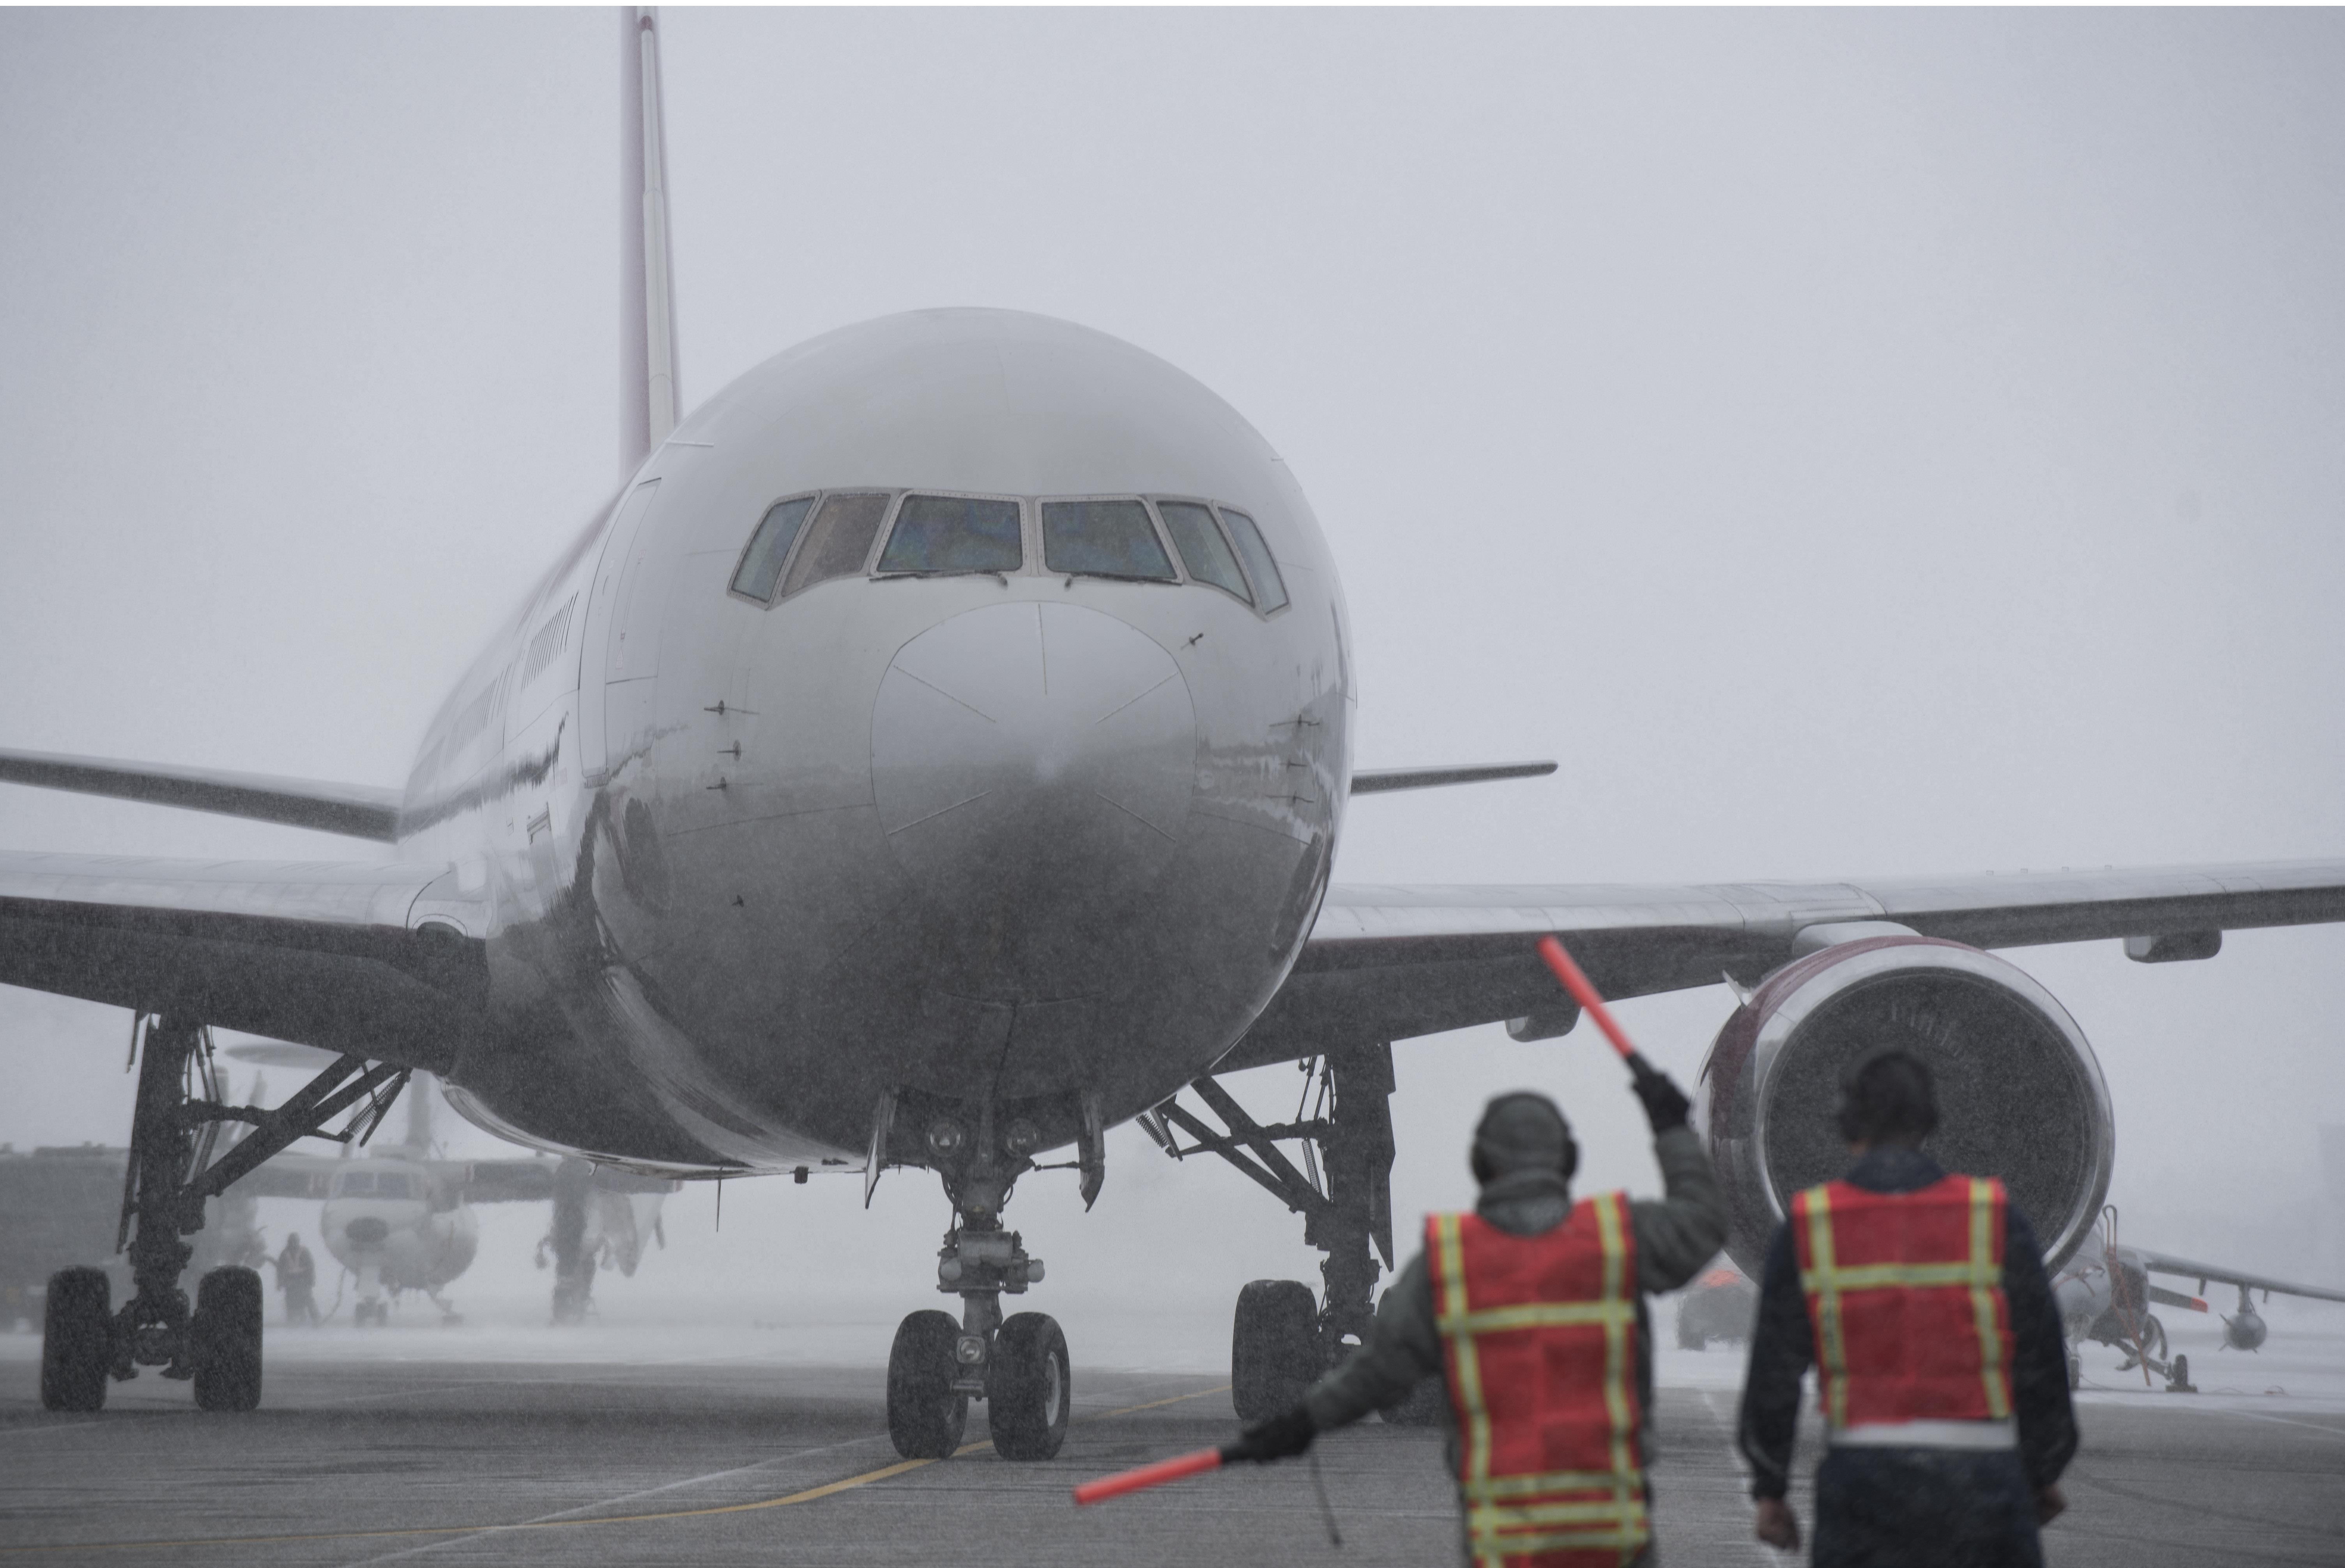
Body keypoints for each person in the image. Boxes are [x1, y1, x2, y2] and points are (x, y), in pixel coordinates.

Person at [1228, 1063, 1730, 1566]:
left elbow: (1375, 1373)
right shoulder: (1618, 1238)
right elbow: (1708, 1223)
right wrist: (1673, 1132)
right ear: (1570, 1159)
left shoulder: (1450, 1261)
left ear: (1481, 1163)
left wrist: (1295, 1423)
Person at [1736, 1051, 2077, 1566]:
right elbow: (2042, 1360)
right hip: (1982, 1481)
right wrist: (2044, 1471)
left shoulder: (1812, 1223)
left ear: (1848, 1124)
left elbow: (1774, 1374)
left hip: (1866, 1485)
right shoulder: (1993, 1214)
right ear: (1929, 1123)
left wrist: (1770, 1490)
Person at [276, 1232, 320, 1327]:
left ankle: (316, 1320)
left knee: (308, 1300)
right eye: (292, 1242)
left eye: (295, 1242)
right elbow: (280, 1269)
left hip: (303, 1281)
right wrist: (280, 1283)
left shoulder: (305, 1252)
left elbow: (311, 1266)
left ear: (298, 1242)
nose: (293, 1244)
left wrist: (311, 1280)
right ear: (289, 1242)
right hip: (290, 1281)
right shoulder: (284, 1254)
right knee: (291, 1301)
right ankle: (292, 1321)